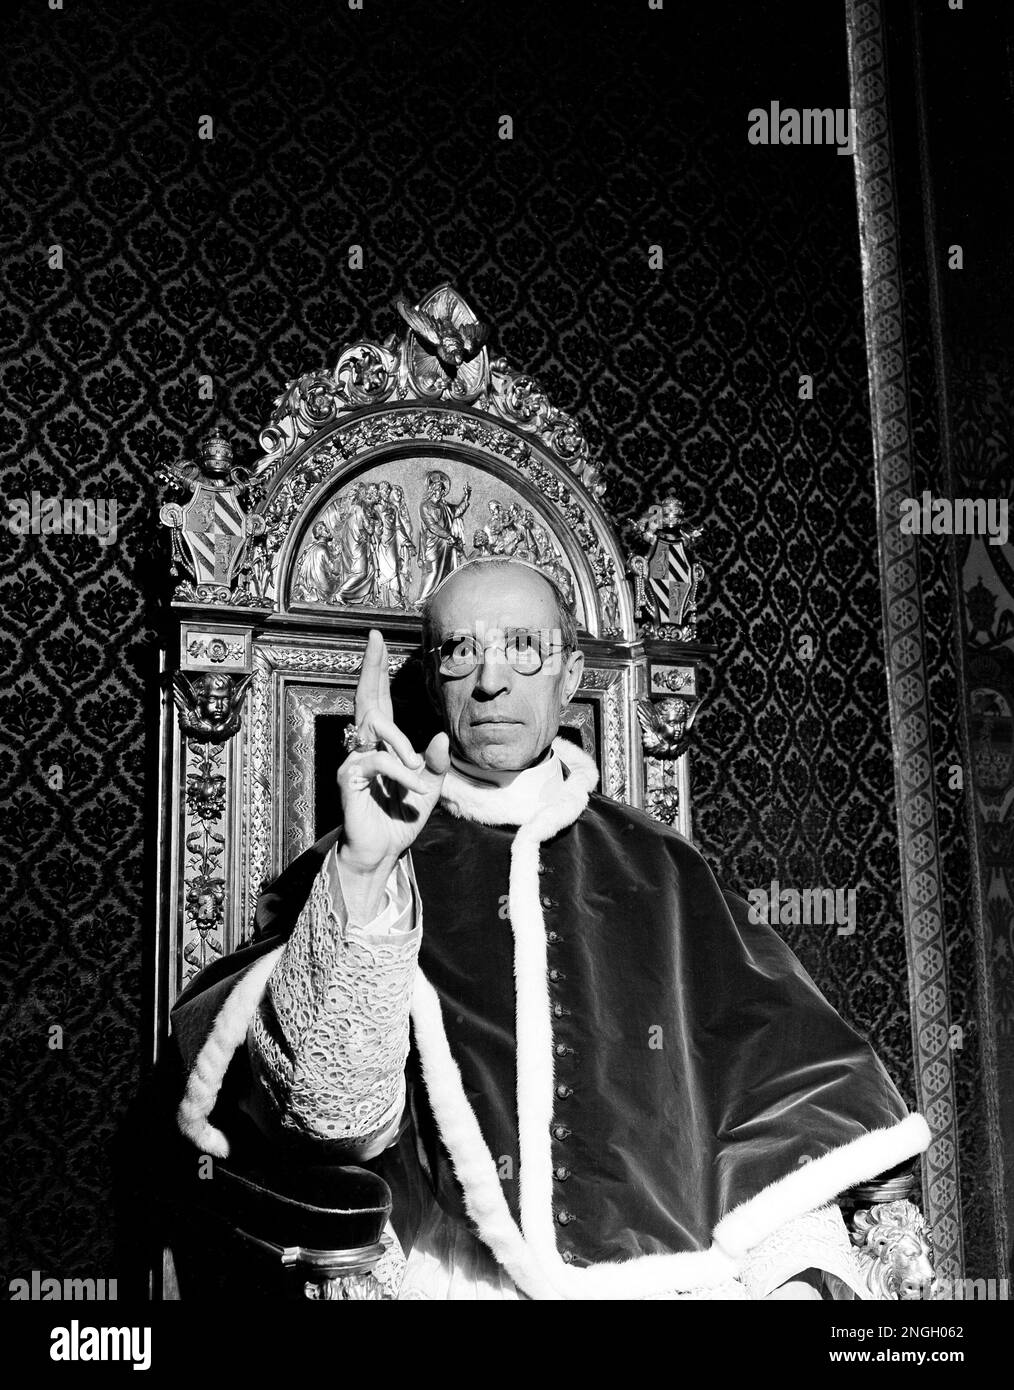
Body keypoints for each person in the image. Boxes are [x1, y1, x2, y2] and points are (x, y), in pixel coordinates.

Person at [171, 557, 931, 1300]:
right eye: (461, 650)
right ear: (433, 681)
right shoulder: (360, 863)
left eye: (523, 647)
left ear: (570, 674)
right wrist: (367, 872)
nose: (491, 679)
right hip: (459, 1274)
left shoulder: (661, 866)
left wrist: (794, 1273)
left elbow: (772, 1090)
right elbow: (329, 1121)